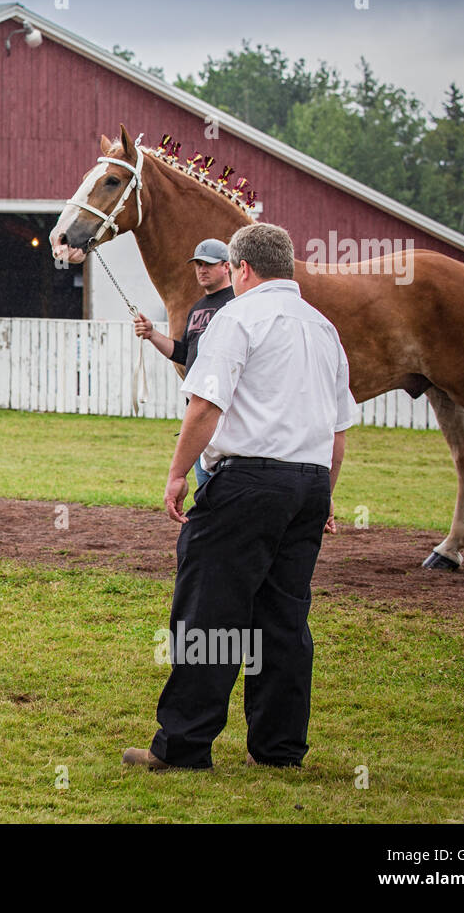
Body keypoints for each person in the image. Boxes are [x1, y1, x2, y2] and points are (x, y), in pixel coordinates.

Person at [122, 222, 354, 771]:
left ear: (242, 269)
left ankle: (183, 745)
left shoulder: (237, 317)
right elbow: (338, 431)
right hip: (309, 482)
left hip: (248, 482)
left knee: (211, 615)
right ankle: (279, 749)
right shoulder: (324, 328)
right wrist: (323, 496)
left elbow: (204, 406)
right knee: (285, 618)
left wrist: (177, 474)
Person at [133, 238, 235, 490]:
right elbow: (184, 354)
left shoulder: (236, 303)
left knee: (227, 492)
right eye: (198, 264)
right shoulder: (197, 308)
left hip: (225, 412)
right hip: (196, 408)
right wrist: (152, 334)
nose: (202, 269)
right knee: (204, 493)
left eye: (209, 264)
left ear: (226, 266)